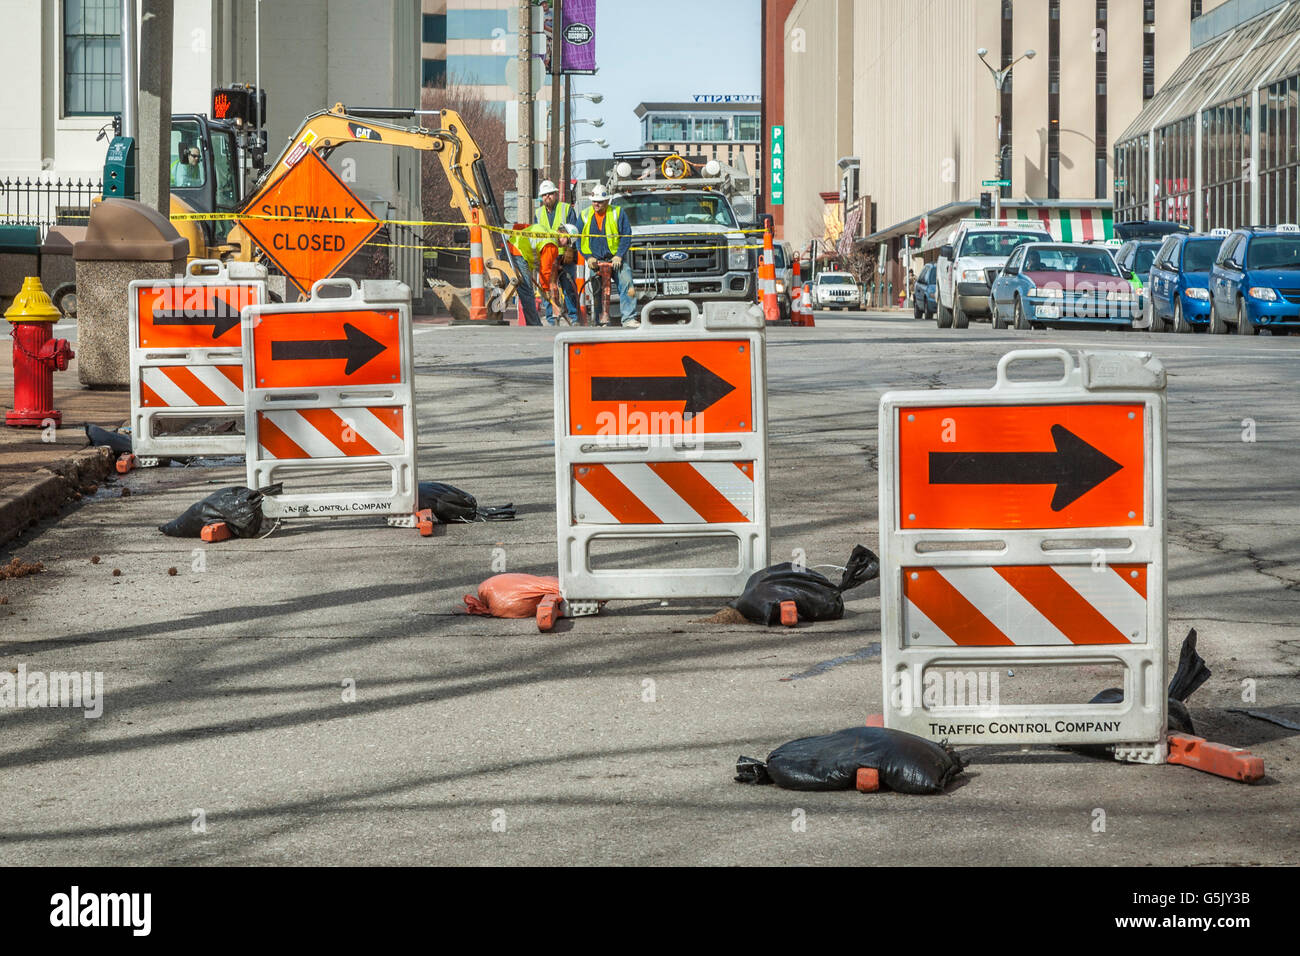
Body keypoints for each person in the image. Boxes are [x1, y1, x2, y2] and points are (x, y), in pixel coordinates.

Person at [579, 185, 637, 327]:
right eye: (594, 201)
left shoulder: (617, 213)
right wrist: (588, 257)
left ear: (607, 201)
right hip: (596, 261)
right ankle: (601, 321)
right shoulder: (585, 215)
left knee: (626, 280)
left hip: (615, 260)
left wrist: (619, 255)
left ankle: (628, 318)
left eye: (599, 201)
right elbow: (579, 239)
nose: (596, 204)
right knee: (597, 290)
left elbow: (626, 236)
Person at [535, 180, 580, 324]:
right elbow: (536, 235)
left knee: (568, 287)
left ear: (555, 194)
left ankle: (573, 317)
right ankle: (551, 318)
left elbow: (574, 232)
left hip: (565, 255)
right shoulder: (538, 212)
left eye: (550, 194)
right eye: (544, 195)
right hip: (547, 256)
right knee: (547, 287)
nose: (547, 197)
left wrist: (570, 250)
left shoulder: (566, 209)